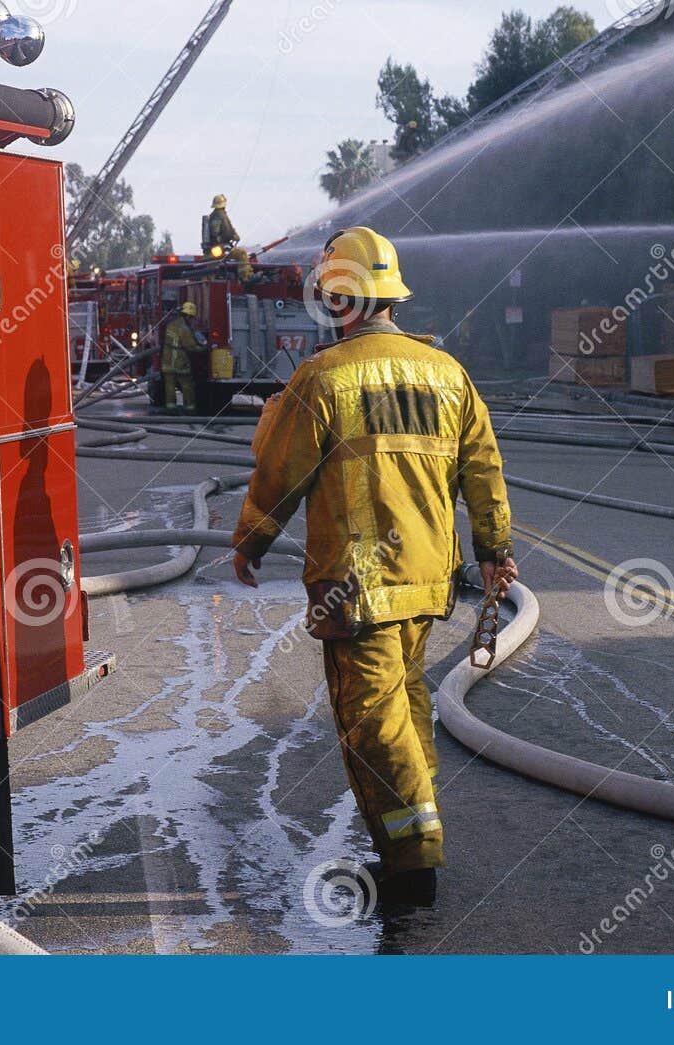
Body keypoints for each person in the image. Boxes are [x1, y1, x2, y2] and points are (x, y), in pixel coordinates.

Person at [231, 226, 517, 907]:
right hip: (424, 581)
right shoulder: (449, 375)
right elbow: (484, 468)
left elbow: (280, 471)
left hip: (356, 589)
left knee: (372, 722)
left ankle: (411, 860)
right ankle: (416, 834)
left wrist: (251, 540)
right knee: (407, 707)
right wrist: (494, 549)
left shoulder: (324, 377)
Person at [161, 301, 206, 414]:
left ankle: (170, 408)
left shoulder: (171, 325)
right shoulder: (184, 329)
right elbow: (190, 346)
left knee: (170, 386)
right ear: (188, 316)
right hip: (180, 362)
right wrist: (204, 349)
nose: (192, 320)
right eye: (192, 317)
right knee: (187, 385)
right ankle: (189, 408)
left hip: (167, 361)